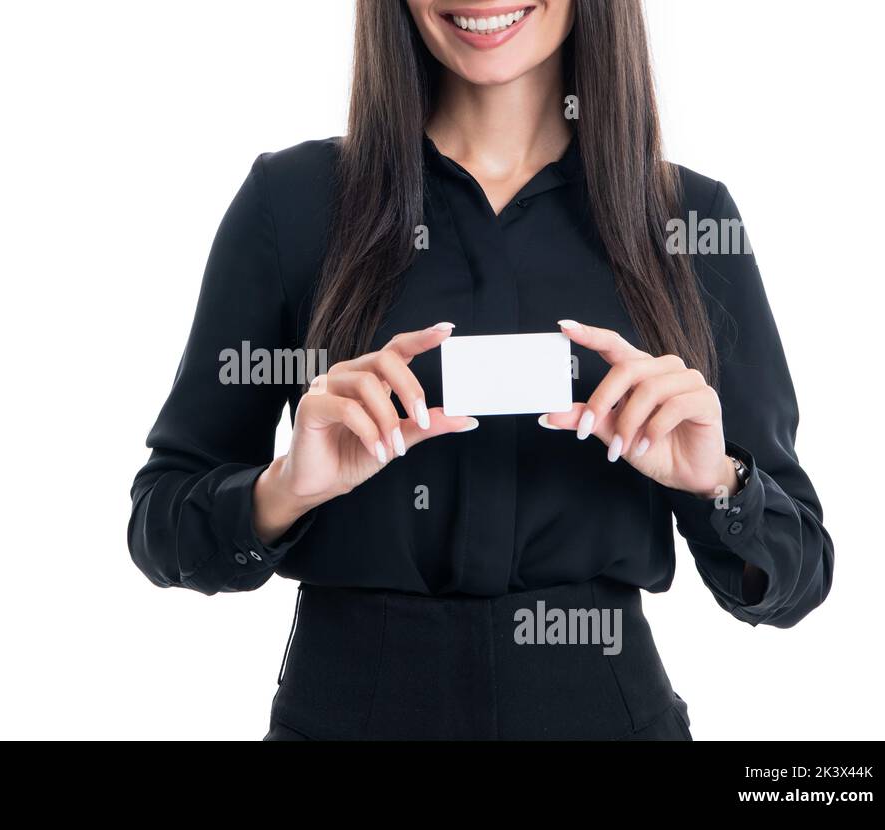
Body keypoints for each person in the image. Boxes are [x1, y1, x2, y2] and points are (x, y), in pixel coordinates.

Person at [128, 0, 833, 740]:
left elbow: (796, 576)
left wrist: (720, 482)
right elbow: (162, 522)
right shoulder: (293, 203)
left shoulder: (688, 220)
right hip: (344, 711)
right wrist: (284, 491)